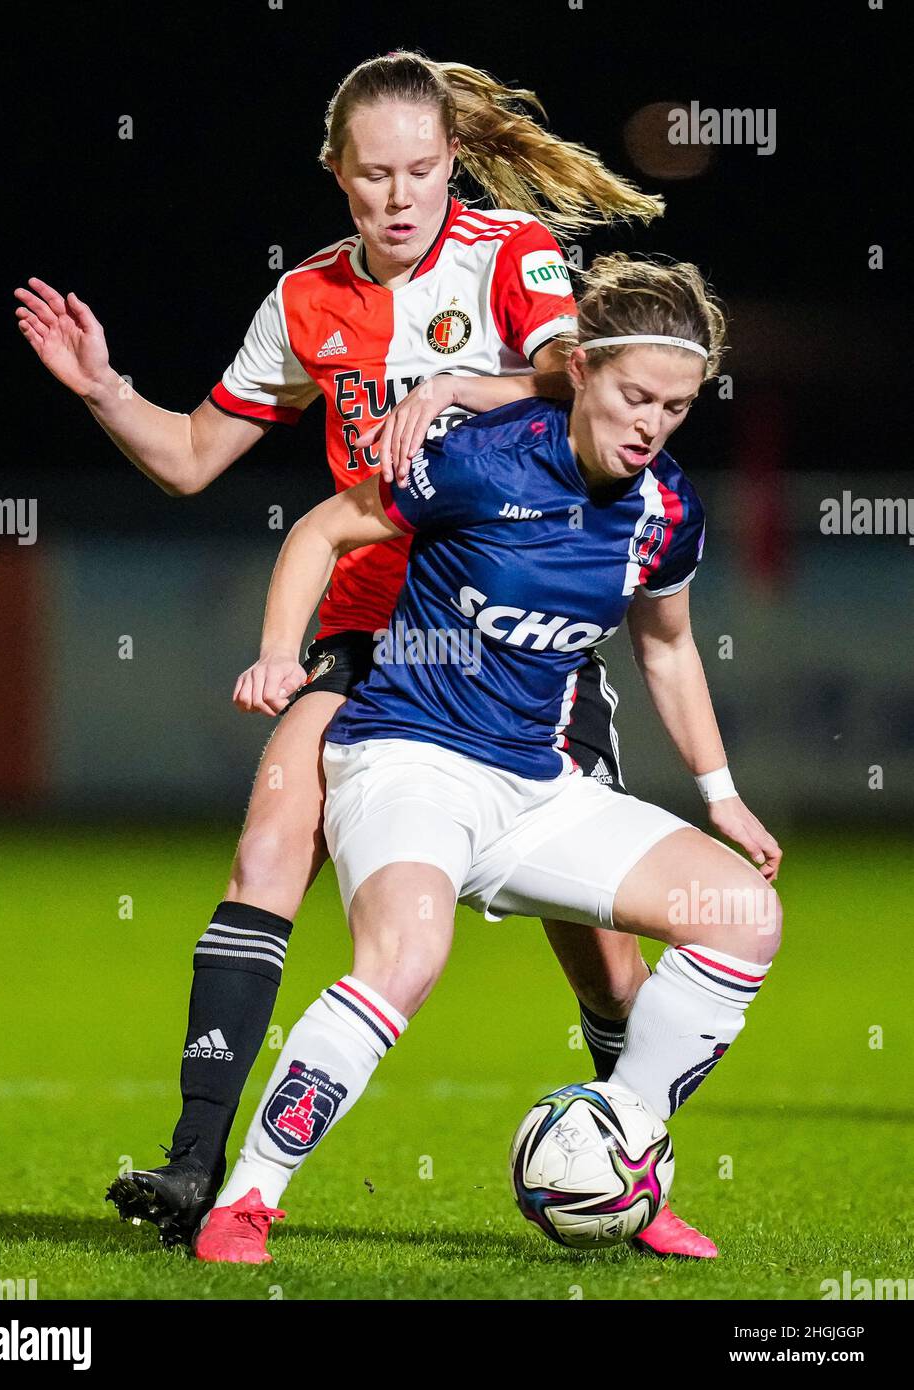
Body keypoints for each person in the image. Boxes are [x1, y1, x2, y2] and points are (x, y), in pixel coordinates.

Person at [14, 51, 709, 1255]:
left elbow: (568, 365)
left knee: (599, 951)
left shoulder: (507, 254)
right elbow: (187, 458)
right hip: (374, 627)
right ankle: (196, 1167)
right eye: (373, 175)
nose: (400, 198)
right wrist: (104, 387)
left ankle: (632, 1170)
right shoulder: (303, 302)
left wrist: (448, 385)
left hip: (500, 627)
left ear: (453, 162)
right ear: (336, 173)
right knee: (267, 841)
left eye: (422, 170)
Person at [195, 254, 783, 1264]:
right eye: (635, 395)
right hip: (406, 761)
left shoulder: (663, 508)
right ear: (581, 371)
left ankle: (619, 1148)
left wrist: (720, 798)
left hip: (535, 785)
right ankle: (242, 1202)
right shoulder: (481, 456)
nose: (650, 424)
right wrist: (278, 653)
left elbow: (667, 646)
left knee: (745, 915)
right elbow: (324, 529)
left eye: (676, 408)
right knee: (405, 960)